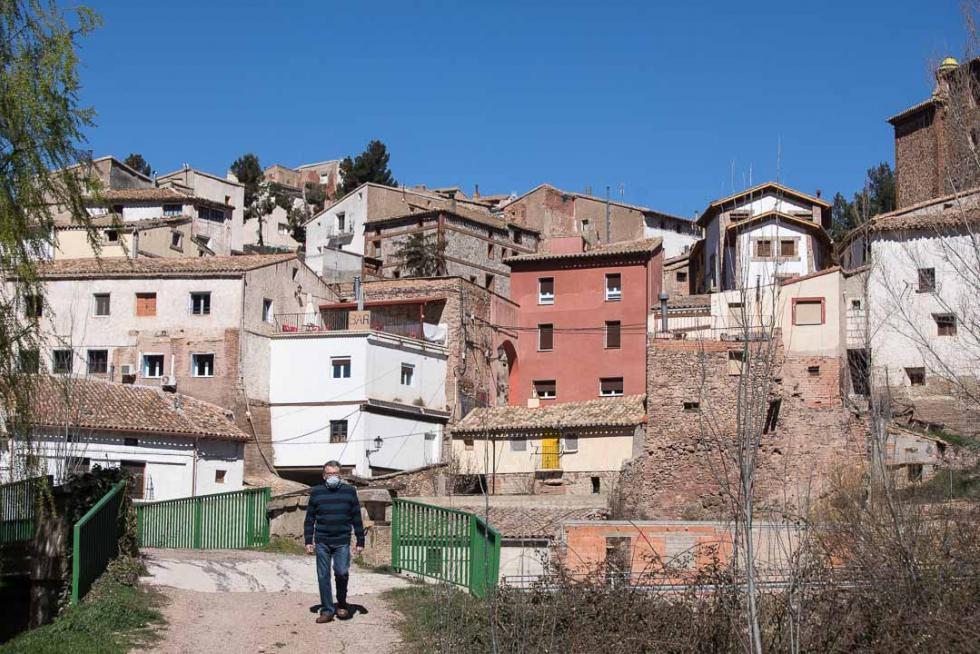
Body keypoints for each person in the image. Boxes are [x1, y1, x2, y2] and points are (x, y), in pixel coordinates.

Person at [304, 460, 365, 623]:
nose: (332, 477)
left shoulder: (349, 491)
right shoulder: (316, 492)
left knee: (341, 572)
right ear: (324, 476)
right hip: (322, 540)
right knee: (323, 576)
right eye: (329, 474)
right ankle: (327, 610)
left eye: (335, 474)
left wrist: (360, 540)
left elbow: (356, 517)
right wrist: (308, 540)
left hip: (342, 541)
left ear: (340, 475)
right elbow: (309, 518)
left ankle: (342, 603)